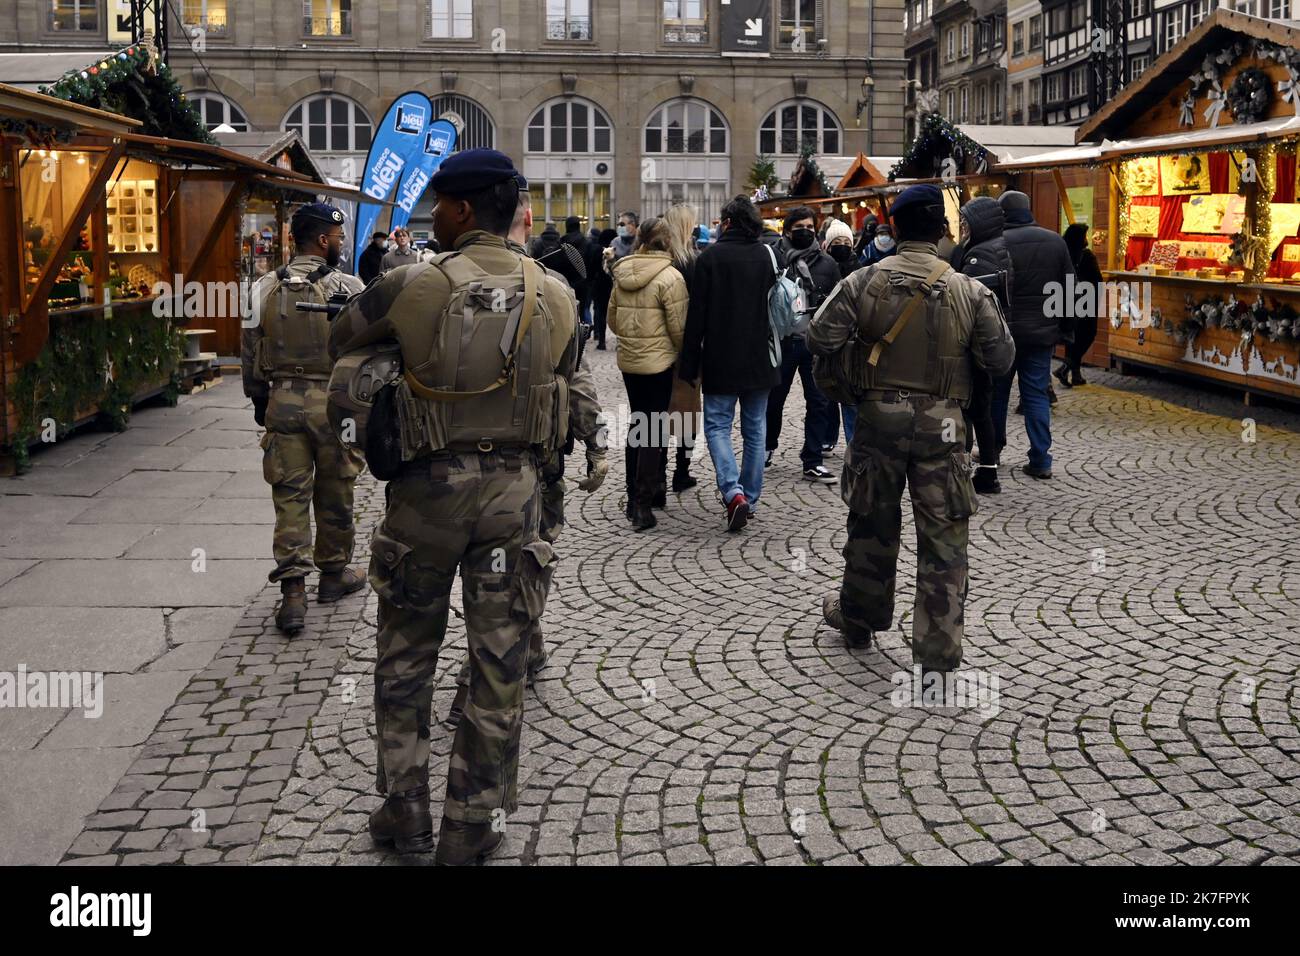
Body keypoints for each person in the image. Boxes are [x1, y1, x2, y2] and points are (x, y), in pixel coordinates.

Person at [329, 149, 577, 865]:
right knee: (499, 662)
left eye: (438, 202)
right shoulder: (555, 293)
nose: (430, 213)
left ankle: (403, 810)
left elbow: (342, 338)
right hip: (517, 496)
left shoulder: (413, 284)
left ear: (463, 211)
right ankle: (471, 824)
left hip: (426, 496)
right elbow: (562, 388)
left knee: (405, 654)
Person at [808, 183, 1015, 671]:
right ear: (943, 231)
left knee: (870, 523)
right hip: (944, 425)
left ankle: (858, 621)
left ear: (895, 228)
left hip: (878, 419)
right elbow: (1001, 358)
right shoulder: (970, 289)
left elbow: (819, 337)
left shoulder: (863, 281)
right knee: (945, 539)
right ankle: (938, 657)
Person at [444, 179, 608, 731]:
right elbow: (576, 375)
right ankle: (480, 678)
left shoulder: (434, 280)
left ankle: (529, 645)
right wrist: (596, 441)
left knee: (511, 569)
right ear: (528, 221)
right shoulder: (553, 289)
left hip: (449, 464)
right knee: (518, 568)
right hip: (532, 465)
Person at [242, 203, 369, 634]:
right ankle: (333, 576)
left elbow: (248, 350)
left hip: (283, 401)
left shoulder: (261, 288)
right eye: (337, 238)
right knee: (336, 491)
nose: (341, 244)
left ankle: (293, 594)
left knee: (290, 494)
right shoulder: (350, 286)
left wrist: (259, 397)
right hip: (333, 404)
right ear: (322, 240)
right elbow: (368, 350)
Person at [679, 194, 778, 531]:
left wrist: (689, 363)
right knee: (755, 428)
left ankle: (732, 492)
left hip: (721, 357)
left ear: (727, 222)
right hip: (759, 357)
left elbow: (697, 316)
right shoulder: (767, 256)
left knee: (718, 426)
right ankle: (748, 495)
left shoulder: (710, 258)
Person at [607, 217, 689, 530]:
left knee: (637, 423)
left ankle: (633, 496)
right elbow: (679, 329)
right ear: (667, 241)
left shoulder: (621, 271)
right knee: (654, 427)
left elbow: (612, 320)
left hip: (630, 362)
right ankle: (642, 504)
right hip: (659, 363)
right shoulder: (670, 277)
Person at [992, 190, 1074, 480]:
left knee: (997, 395)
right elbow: (1069, 286)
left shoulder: (997, 244)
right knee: (1036, 395)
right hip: (1041, 334)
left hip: (1004, 334)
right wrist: (1065, 329)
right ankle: (1040, 458)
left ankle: (993, 451)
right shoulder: (1055, 241)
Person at [765, 206, 840, 484]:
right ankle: (767, 446)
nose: (806, 231)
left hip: (814, 342)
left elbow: (837, 300)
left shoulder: (827, 263)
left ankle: (813, 459)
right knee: (774, 399)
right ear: (787, 230)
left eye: (810, 226)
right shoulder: (775, 258)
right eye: (799, 227)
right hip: (783, 340)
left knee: (819, 401)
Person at [952, 196, 1015, 494]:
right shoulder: (993, 249)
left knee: (969, 411)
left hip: (973, 345)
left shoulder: (979, 257)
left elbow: (969, 306)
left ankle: (968, 472)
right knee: (982, 411)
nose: (962, 228)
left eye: (966, 222)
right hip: (986, 344)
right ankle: (987, 469)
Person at [662, 202, 702, 493]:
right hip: (687, 346)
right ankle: (681, 471)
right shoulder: (694, 262)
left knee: (658, 412)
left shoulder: (659, 259)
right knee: (687, 413)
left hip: (657, 346)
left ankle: (655, 475)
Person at [821, 218, 860, 453]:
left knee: (849, 394)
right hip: (827, 337)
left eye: (847, 241)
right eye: (838, 241)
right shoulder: (823, 267)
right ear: (828, 244)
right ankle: (827, 436)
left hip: (852, 338)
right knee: (825, 393)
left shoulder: (860, 268)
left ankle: (853, 442)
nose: (843, 245)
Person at [1056, 223, 1102, 388]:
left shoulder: (1063, 253)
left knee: (1073, 335)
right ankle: (1066, 366)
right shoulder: (1086, 256)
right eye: (1084, 236)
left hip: (1067, 299)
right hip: (1085, 300)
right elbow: (1097, 280)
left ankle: (1075, 375)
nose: (1086, 239)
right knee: (1088, 333)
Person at [561, 215, 593, 324]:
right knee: (582, 311)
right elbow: (590, 263)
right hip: (583, 282)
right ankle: (581, 337)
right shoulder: (586, 242)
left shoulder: (562, 242)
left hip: (565, 282)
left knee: (567, 312)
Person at [591, 227, 617, 350]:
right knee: (618, 313)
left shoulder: (597, 250)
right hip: (615, 285)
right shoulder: (616, 251)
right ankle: (619, 341)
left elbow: (592, 266)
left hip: (600, 285)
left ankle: (601, 340)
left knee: (600, 312)